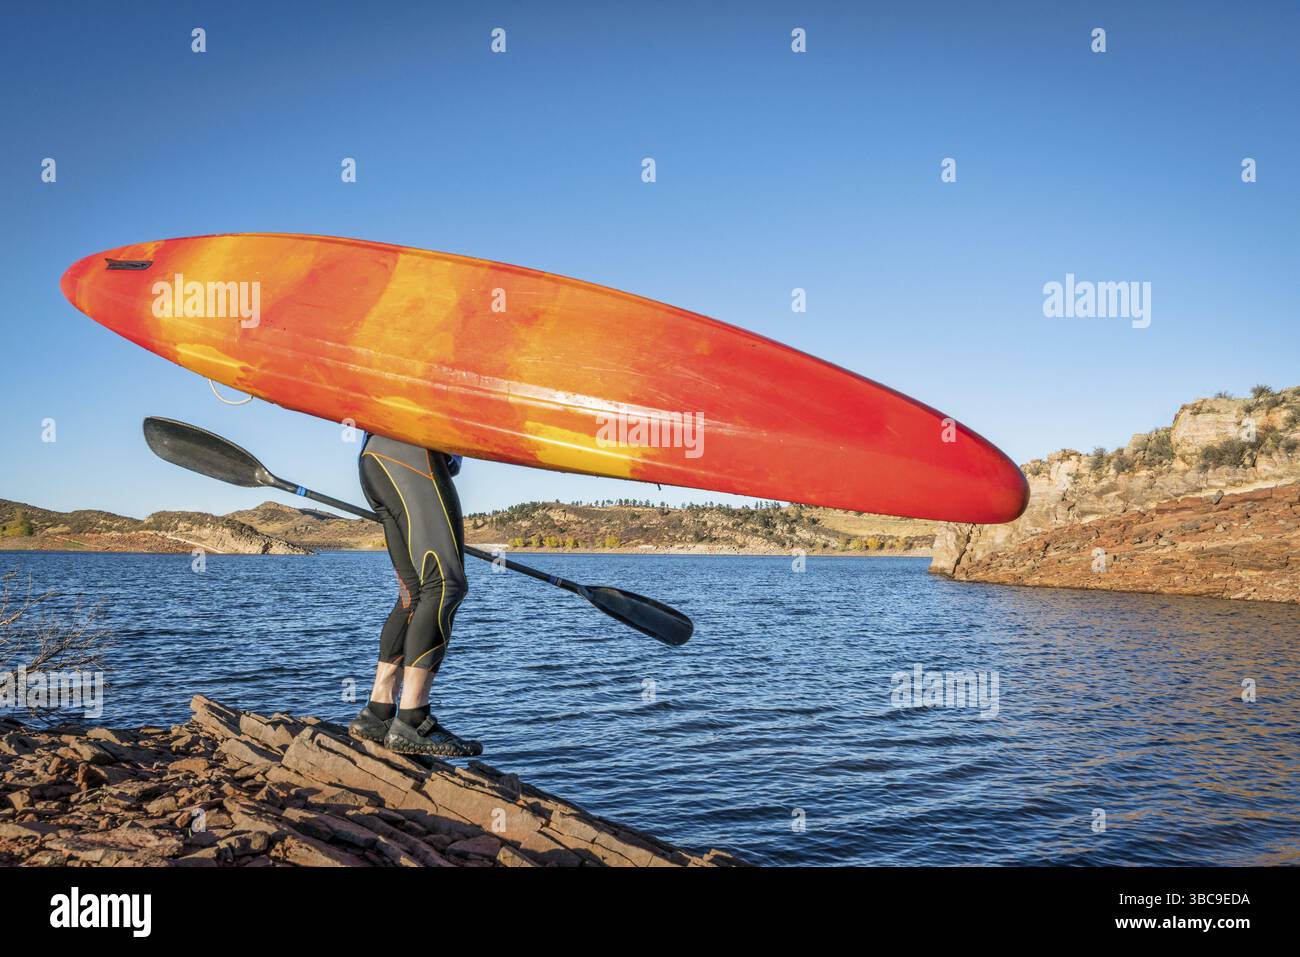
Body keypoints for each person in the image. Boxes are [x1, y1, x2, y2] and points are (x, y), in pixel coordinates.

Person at [347, 431, 481, 757]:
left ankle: (378, 713)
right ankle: (412, 719)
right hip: (412, 452)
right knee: (445, 585)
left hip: (375, 459)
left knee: (414, 592)